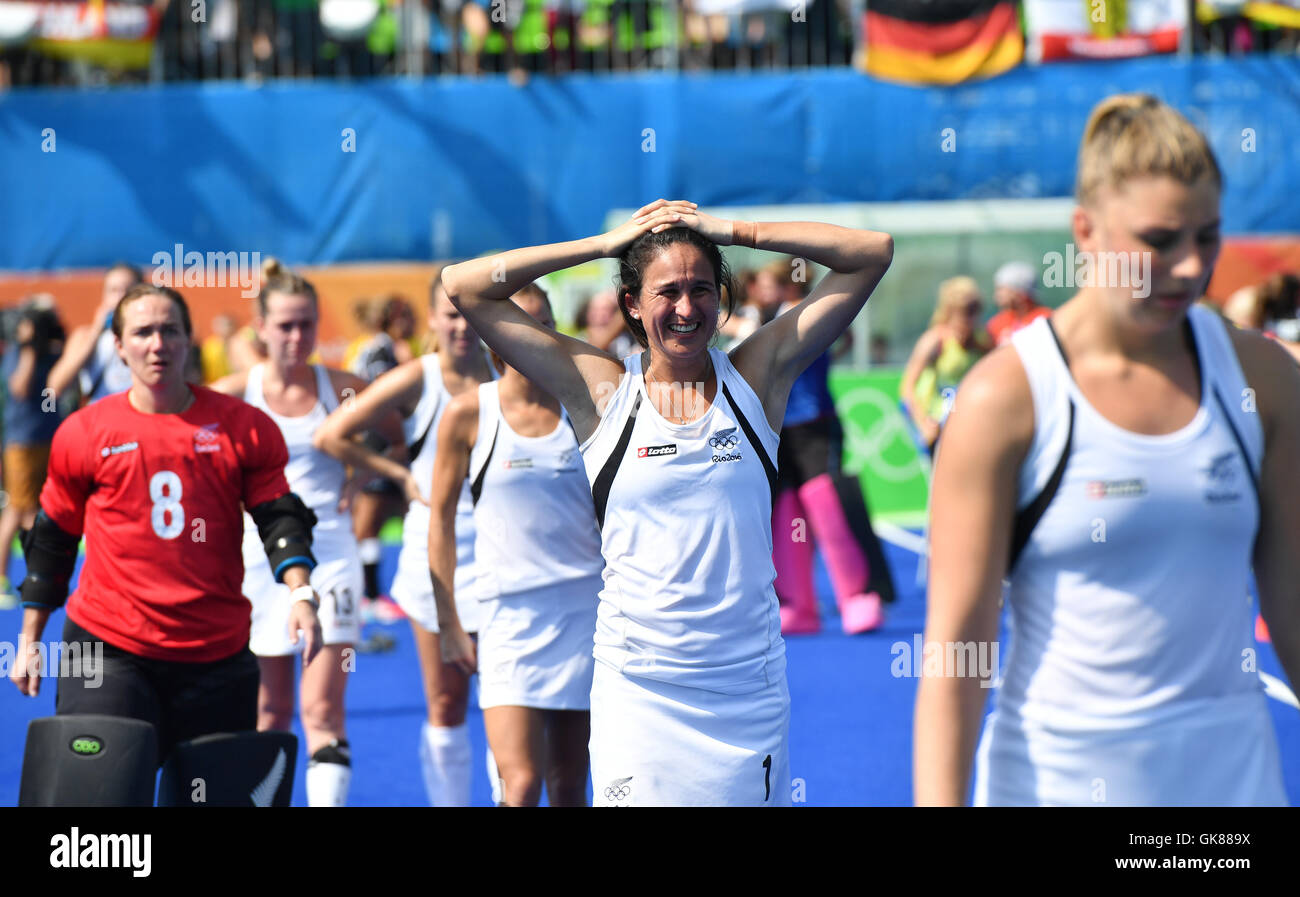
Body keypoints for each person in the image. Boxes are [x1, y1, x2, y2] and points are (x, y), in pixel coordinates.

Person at [440, 198, 893, 806]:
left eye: (702, 289)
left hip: (745, 693)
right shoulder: (601, 389)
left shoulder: (758, 377)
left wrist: (734, 231)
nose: (686, 309)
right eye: (666, 292)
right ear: (631, 303)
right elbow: (464, 287)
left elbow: (873, 254)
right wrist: (604, 245)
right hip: (639, 693)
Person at [914, 94, 1299, 807]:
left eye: (1208, 236)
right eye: (1159, 240)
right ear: (1084, 231)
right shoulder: (1006, 398)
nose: (1190, 266)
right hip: (1054, 784)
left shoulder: (1264, 379)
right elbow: (955, 654)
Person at [9, 283, 323, 770]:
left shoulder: (243, 427)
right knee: (101, 810)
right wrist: (30, 640)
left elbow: (279, 514)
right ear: (118, 346)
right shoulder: (84, 432)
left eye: (170, 331)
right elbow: (54, 539)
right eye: (143, 332)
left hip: (215, 652)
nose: (158, 344)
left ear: (188, 340)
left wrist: (300, 593)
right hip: (109, 647)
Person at [211, 260, 392, 807]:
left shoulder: (344, 390)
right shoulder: (235, 394)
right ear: (260, 328)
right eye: (285, 325)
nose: (296, 337)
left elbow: (401, 440)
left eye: (306, 324)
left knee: (322, 710)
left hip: (331, 558)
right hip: (257, 562)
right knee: (269, 711)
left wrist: (362, 471)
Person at [313, 274, 496, 807]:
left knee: (509, 706)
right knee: (445, 704)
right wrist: (397, 474)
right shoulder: (421, 378)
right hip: (432, 564)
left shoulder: (508, 373)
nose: (462, 326)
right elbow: (332, 435)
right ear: (433, 320)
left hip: (505, 559)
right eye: (451, 314)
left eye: (471, 314)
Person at [430, 284, 601, 807]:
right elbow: (438, 522)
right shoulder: (468, 414)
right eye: (522, 326)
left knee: (570, 785)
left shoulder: (590, 406)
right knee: (520, 784)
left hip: (587, 619)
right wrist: (450, 625)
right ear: (496, 340)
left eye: (545, 324)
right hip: (508, 621)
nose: (537, 337)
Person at [765, 260, 897, 636]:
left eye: (771, 284)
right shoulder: (776, 314)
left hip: (815, 423)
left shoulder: (794, 313)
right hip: (778, 426)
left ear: (785, 284)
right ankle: (797, 603)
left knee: (826, 502)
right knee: (788, 512)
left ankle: (856, 596)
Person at [0, 297, 66, 605]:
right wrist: (27, 346)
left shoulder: (50, 353)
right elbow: (20, 388)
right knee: (18, 510)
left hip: (48, 439)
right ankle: (6, 578)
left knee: (41, 508)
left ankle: (37, 574)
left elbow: (59, 387)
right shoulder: (18, 354)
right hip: (22, 443)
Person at [899, 276, 990, 454]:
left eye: (975, 310)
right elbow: (907, 387)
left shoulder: (982, 340)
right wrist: (923, 423)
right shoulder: (935, 340)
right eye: (966, 311)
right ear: (950, 309)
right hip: (937, 423)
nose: (971, 317)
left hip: (968, 421)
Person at [46, 263, 142, 404]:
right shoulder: (85, 336)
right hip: (100, 418)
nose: (121, 296)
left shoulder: (153, 337)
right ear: (104, 295)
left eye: (128, 290)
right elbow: (55, 386)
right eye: (114, 290)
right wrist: (96, 332)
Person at [985, 261, 1051, 347]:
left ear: (1021, 293)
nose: (997, 294)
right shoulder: (997, 323)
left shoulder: (1046, 320)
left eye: (1001, 289)